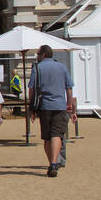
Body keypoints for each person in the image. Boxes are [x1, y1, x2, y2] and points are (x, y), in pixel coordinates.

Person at [29, 44, 75, 178]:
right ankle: (54, 163)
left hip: (44, 106)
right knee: (57, 135)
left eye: (38, 54)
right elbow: (69, 87)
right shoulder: (61, 67)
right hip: (60, 105)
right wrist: (69, 103)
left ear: (43, 54)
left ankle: (51, 163)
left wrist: (32, 108)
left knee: (47, 137)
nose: (37, 56)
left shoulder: (37, 68)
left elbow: (31, 88)